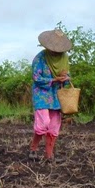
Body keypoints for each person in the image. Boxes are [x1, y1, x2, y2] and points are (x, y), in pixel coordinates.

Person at [29, 29, 73, 161]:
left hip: (56, 95)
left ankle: (49, 155)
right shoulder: (40, 58)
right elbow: (36, 78)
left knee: (54, 126)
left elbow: (67, 76)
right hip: (42, 94)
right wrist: (53, 80)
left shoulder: (64, 59)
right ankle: (33, 150)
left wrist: (66, 78)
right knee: (43, 123)